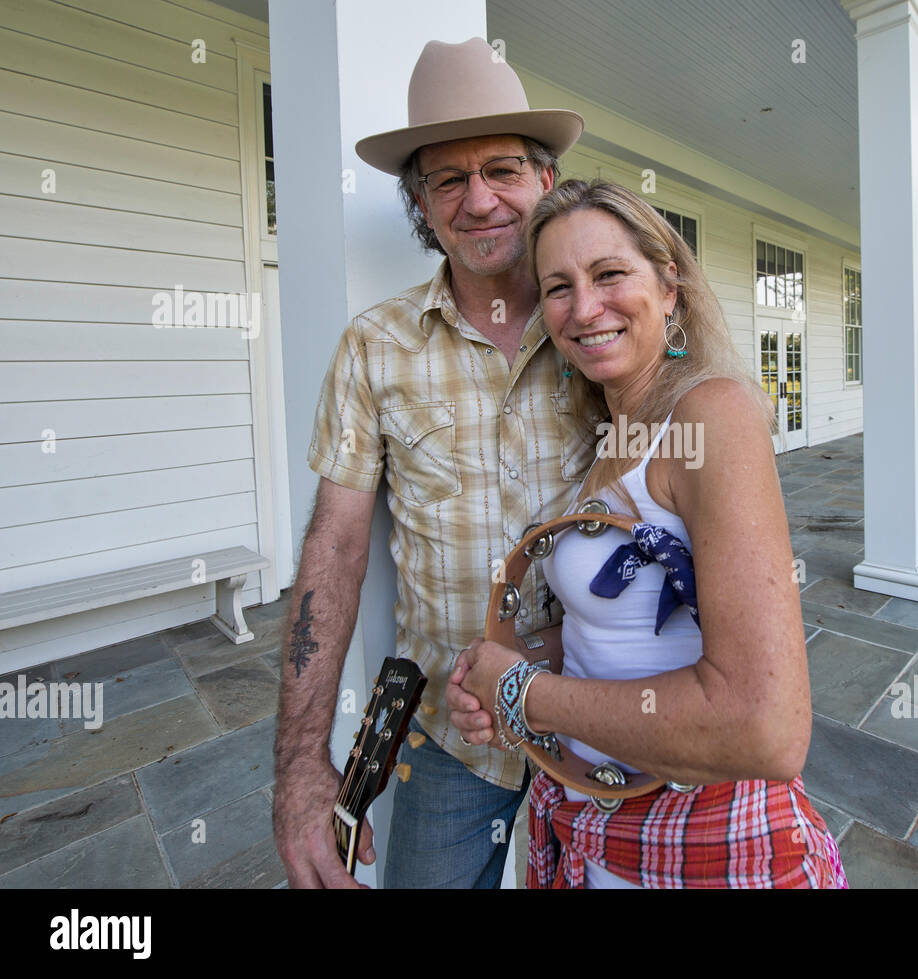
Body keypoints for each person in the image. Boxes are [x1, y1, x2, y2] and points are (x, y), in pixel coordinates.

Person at [448, 180, 846, 888]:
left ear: (669, 286)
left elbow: (767, 727)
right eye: (559, 287)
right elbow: (620, 633)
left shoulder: (710, 415)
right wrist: (497, 664)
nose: (585, 306)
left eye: (609, 274)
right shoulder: (610, 438)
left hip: (703, 845)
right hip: (600, 836)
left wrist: (521, 694)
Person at [271, 38, 596, 889]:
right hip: (452, 739)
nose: (479, 198)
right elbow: (334, 548)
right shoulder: (373, 347)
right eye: (448, 179)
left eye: (502, 169)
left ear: (546, 182)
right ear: (419, 200)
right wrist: (302, 763)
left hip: (611, 719)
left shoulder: (601, 331)